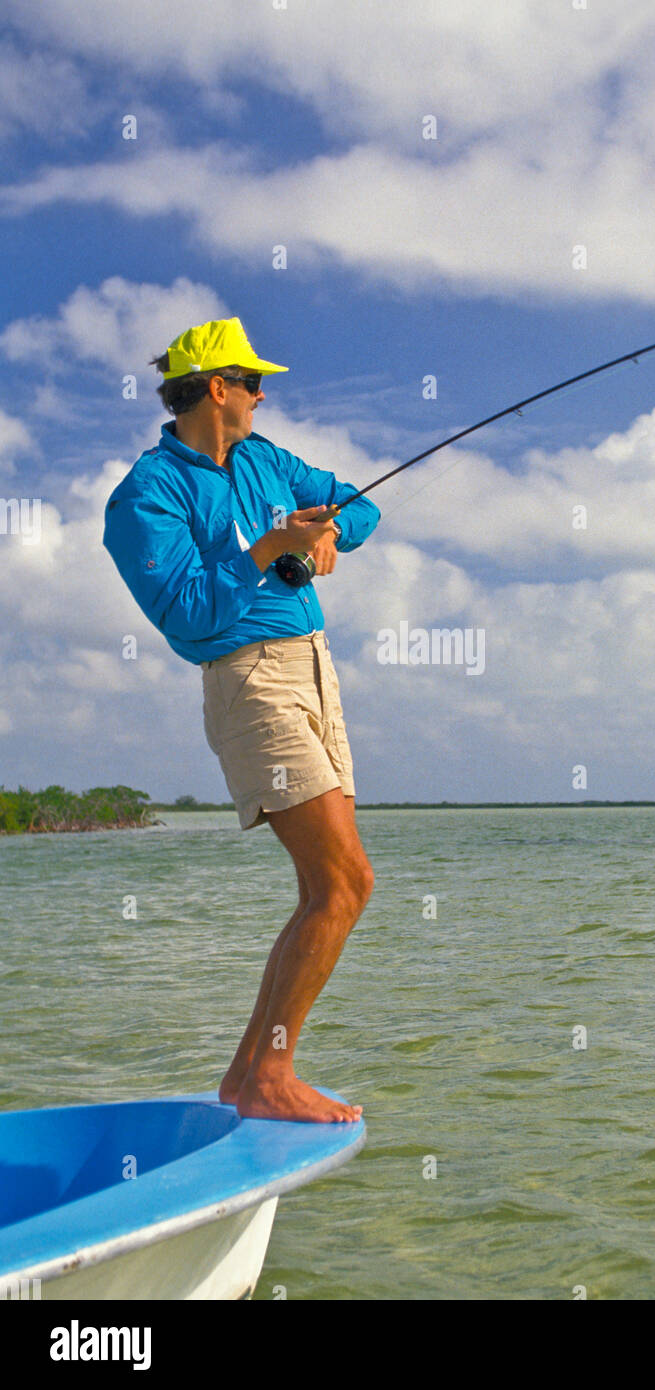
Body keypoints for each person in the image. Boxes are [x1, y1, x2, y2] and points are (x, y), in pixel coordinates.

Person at [103, 317, 380, 1123]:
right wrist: (264, 550)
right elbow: (188, 615)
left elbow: (359, 508)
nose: (264, 395)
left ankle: (248, 1076)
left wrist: (324, 532)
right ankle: (266, 1075)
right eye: (253, 382)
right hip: (249, 678)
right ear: (216, 388)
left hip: (316, 669)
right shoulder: (146, 494)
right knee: (345, 882)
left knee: (324, 886)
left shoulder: (267, 460)